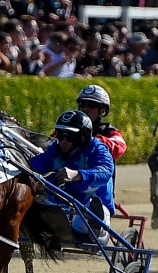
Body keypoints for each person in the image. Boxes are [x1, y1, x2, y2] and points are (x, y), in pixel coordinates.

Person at [29, 110, 115, 243]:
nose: (63, 140)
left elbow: (106, 171)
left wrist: (77, 174)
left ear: (83, 137)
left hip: (91, 211)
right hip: (60, 211)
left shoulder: (97, 149)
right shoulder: (54, 150)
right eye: (60, 135)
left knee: (93, 209)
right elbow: (33, 166)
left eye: (69, 136)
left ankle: (95, 230)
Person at [76, 84, 127, 160]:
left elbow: (119, 147)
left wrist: (91, 140)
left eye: (91, 105)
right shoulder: (69, 126)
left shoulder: (109, 131)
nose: (85, 108)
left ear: (103, 110)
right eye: (82, 104)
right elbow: (52, 143)